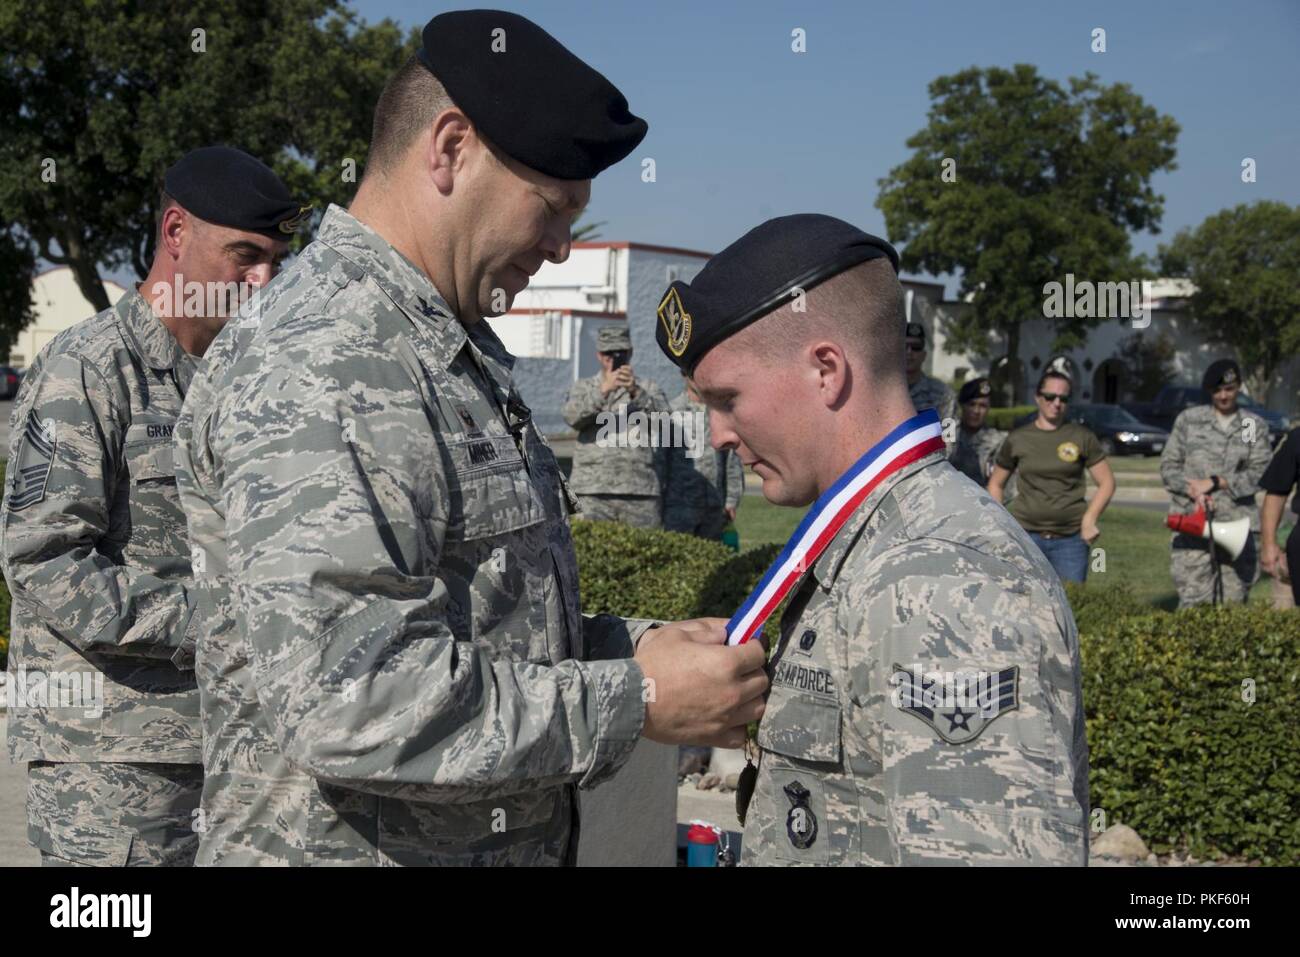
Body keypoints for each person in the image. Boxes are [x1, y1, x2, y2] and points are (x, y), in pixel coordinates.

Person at [171, 10, 767, 867]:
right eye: (554, 207)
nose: (562, 248)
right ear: (449, 148)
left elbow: (485, 624)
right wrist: (635, 697)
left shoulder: (434, 346)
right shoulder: (326, 359)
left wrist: (640, 648)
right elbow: (352, 695)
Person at [656, 214, 1087, 865]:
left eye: (728, 399)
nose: (717, 434)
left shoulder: (944, 581)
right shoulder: (875, 542)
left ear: (826, 369)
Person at [1, 147, 301, 866]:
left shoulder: (243, 381)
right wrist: (219, 621)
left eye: (276, 262)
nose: (262, 281)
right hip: (111, 759)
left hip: (230, 747)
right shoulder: (92, 366)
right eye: (245, 255)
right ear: (175, 232)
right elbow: (41, 558)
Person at [1159, 359, 1271, 607]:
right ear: (1209, 391)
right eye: (1217, 390)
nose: (1223, 396)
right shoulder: (1189, 420)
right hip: (1192, 523)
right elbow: (1168, 466)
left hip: (1237, 524)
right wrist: (1192, 490)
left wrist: (1220, 482)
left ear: (1239, 387)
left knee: (1233, 602)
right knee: (1193, 602)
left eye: (1229, 389)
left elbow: (1261, 471)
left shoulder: (1251, 425)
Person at [988, 370, 1115, 584]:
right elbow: (996, 484)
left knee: (1071, 606)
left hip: (1071, 541)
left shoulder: (1082, 436)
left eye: (1063, 398)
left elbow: (1107, 482)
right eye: (1050, 397)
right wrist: (1002, 524)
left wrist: (1090, 519)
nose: (1056, 403)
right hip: (1026, 538)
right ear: (1038, 398)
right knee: (1024, 604)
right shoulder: (1018, 438)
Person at [561, 325, 669, 528]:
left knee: (642, 555)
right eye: (608, 353)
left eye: (619, 353)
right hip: (592, 489)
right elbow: (572, 417)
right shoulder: (583, 387)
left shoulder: (648, 388)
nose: (613, 358)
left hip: (639, 489)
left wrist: (636, 392)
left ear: (630, 353)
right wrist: (603, 391)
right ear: (599, 355)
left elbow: (664, 423)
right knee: (588, 556)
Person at [663, 371, 743, 539]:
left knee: (714, 560)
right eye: (690, 373)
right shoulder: (670, 412)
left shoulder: (719, 412)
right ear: (683, 375)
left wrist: (731, 500)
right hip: (679, 506)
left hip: (714, 505)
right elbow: (662, 461)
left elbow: (731, 460)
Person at [1259, 426, 1300, 606]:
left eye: (1229, 393)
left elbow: (1254, 463)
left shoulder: (1248, 422)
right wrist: (1268, 543)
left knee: (1235, 589)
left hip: (1241, 511)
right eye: (1215, 393)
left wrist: (1229, 482)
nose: (1223, 395)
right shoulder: (1191, 419)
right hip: (1200, 510)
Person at [948, 377, 1005, 488]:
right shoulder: (947, 435)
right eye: (972, 404)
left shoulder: (997, 441)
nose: (976, 411)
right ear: (962, 405)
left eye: (982, 406)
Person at [904, 321, 955, 429]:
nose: (909, 352)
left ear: (924, 355)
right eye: (904, 346)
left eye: (916, 347)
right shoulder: (881, 391)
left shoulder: (943, 395)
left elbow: (949, 438)